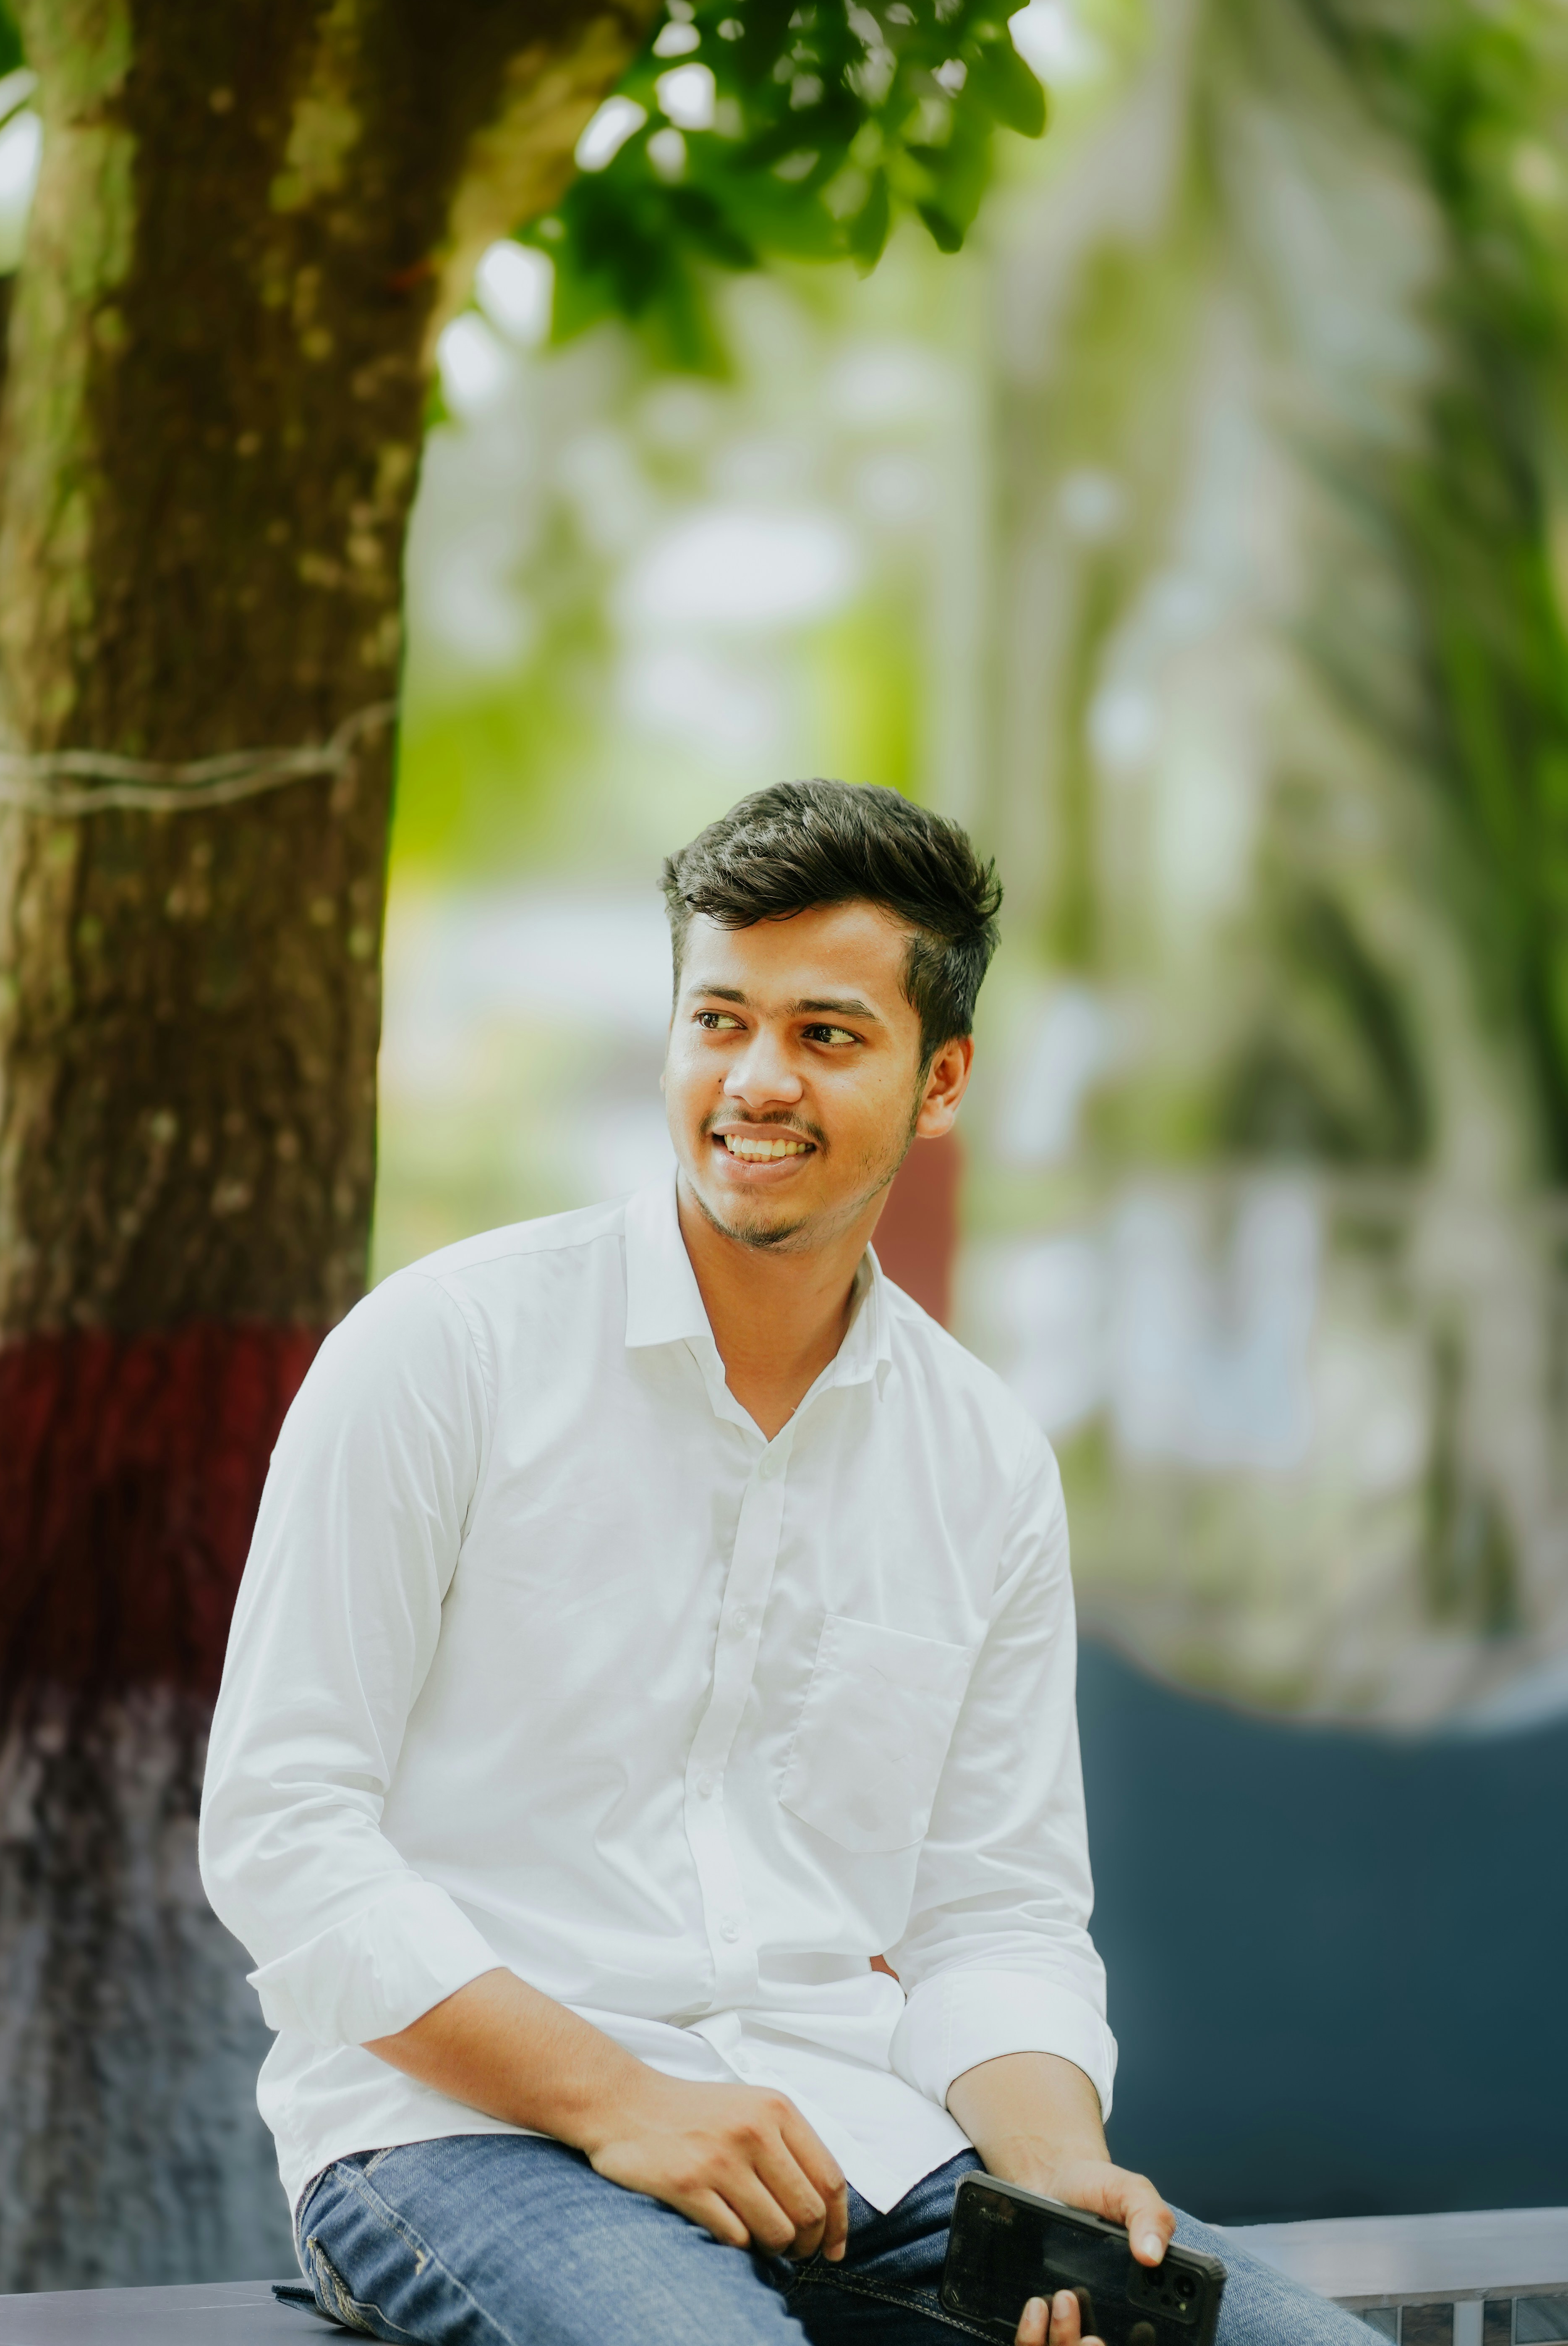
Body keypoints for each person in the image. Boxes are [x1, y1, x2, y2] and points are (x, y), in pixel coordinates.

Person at [201, 779, 1374, 2346]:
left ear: (941, 1078)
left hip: (859, 2147)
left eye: (826, 1035)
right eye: (720, 1021)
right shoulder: (445, 1354)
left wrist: (1059, 2172)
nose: (756, 1081)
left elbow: (994, 1913)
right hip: (464, 2139)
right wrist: (625, 2101)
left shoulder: (981, 1459)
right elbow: (284, 1830)